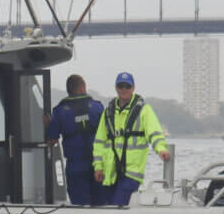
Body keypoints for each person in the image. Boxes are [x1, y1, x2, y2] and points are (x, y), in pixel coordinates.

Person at [93, 72, 171, 206]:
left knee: (119, 206)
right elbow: (99, 141)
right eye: (120, 86)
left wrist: (161, 149)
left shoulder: (144, 110)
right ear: (116, 88)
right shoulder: (108, 112)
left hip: (132, 173)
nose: (124, 89)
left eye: (127, 86)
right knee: (108, 208)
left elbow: (154, 132)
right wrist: (98, 167)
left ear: (133, 88)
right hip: (110, 172)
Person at [45, 73, 105, 205]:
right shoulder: (98, 107)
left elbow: (52, 141)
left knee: (80, 206)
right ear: (82, 88)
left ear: (69, 90)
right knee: (101, 205)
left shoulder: (60, 111)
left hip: (75, 167)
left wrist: (48, 125)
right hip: (99, 165)